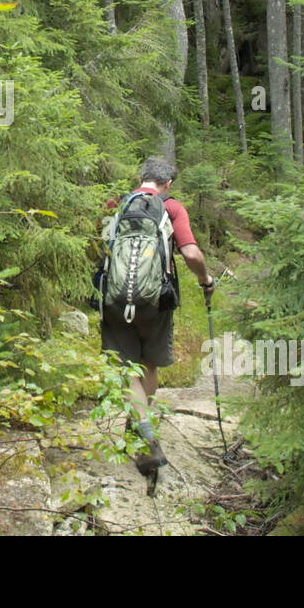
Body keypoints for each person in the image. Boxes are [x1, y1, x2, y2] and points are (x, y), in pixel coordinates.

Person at [99, 156, 215, 476]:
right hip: (156, 301)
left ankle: (140, 429)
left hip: (116, 298)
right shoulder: (171, 207)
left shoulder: (118, 204)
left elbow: (104, 248)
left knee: (126, 366)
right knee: (148, 362)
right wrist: (206, 281)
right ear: (168, 184)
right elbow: (190, 253)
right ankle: (145, 433)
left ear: (141, 177)